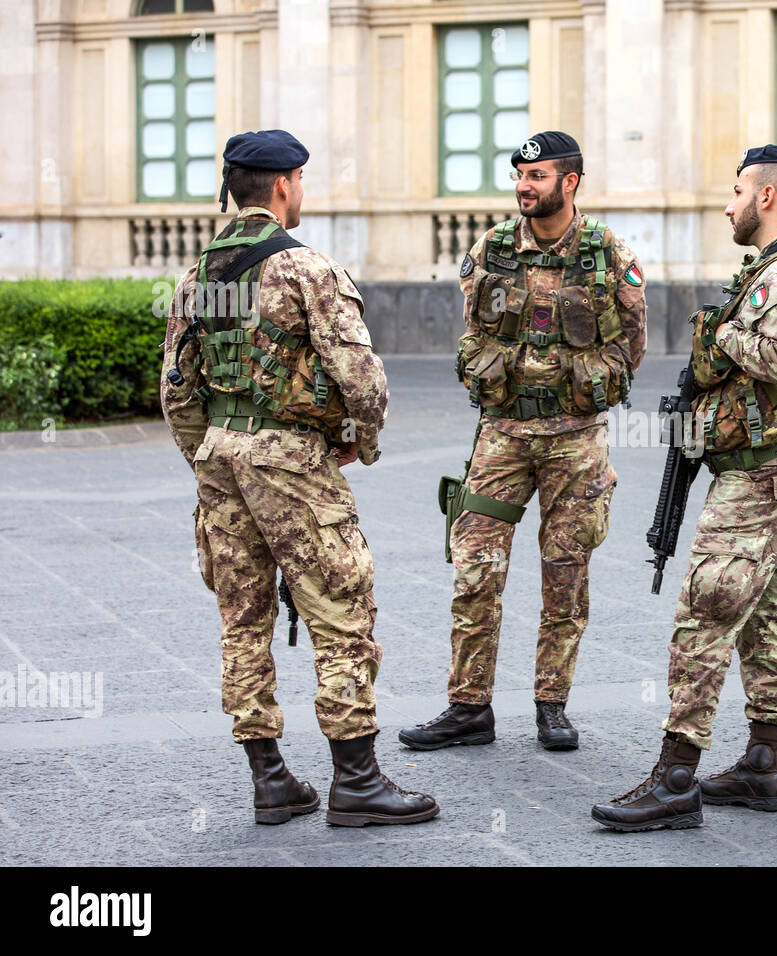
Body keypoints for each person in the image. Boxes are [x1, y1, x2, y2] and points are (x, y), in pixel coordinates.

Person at [161, 129, 438, 827]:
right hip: (292, 460)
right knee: (341, 607)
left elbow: (176, 392)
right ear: (283, 185)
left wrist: (211, 454)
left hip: (220, 457)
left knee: (241, 618)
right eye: (302, 182)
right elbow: (363, 381)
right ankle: (358, 782)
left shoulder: (198, 276)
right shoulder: (306, 270)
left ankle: (272, 781)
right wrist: (356, 442)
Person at [592, 145, 777, 831]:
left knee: (706, 610)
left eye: (735, 192)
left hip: (763, 475)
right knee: (768, 615)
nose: (727, 206)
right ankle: (764, 764)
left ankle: (674, 778)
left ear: (766, 198)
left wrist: (723, 334)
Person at [399, 131, 647, 753]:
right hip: (501, 437)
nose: (523, 185)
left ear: (570, 182)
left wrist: (583, 381)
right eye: (519, 174)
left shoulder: (608, 253)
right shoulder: (492, 248)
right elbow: (473, 330)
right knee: (474, 570)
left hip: (574, 440)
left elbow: (632, 343)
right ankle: (468, 706)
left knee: (565, 575)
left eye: (537, 175)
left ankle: (551, 704)